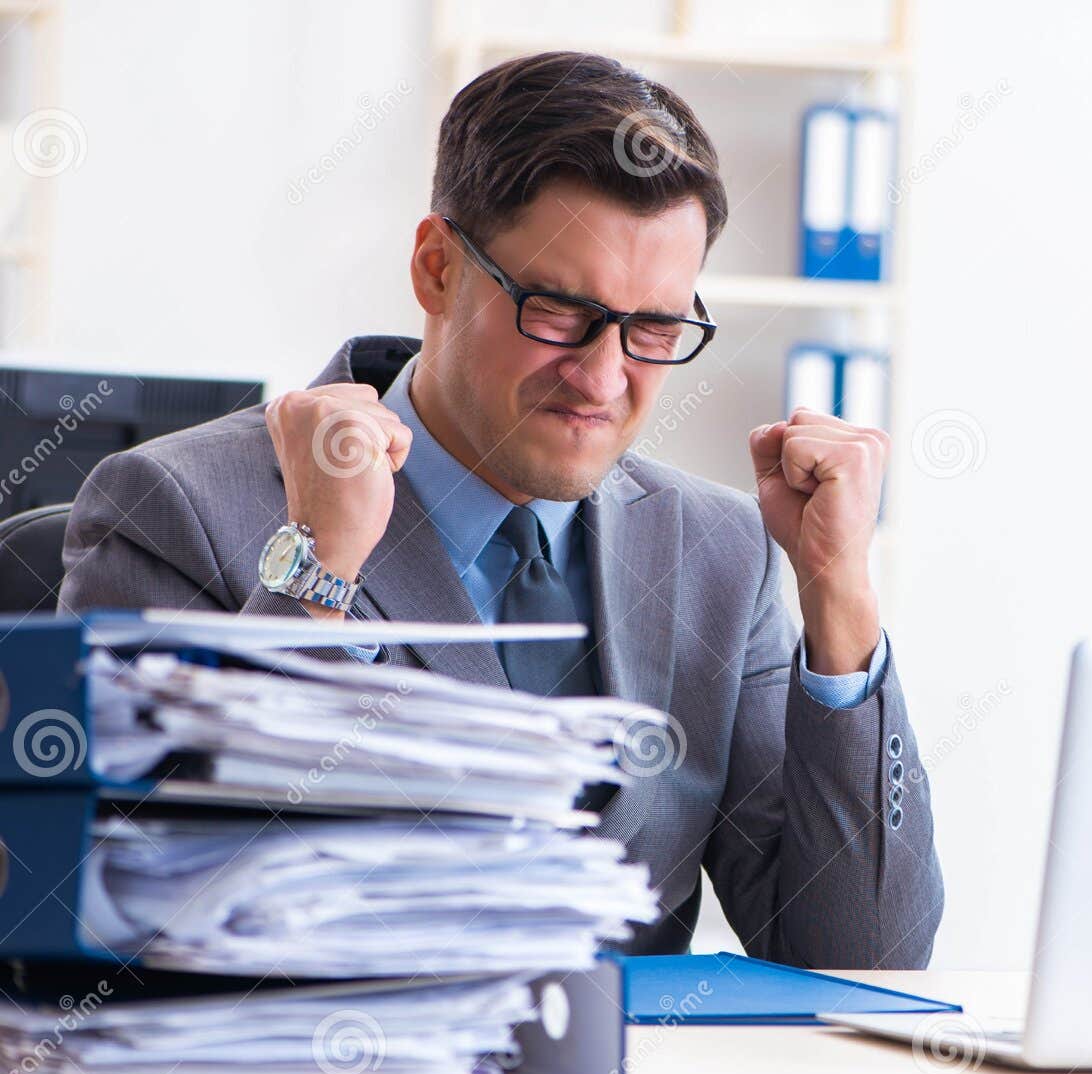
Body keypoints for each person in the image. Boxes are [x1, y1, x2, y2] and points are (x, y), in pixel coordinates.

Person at [60, 51, 941, 966]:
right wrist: (318, 570)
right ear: (437, 269)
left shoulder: (720, 552)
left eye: (654, 329)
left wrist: (840, 600)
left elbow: (862, 958)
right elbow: (130, 923)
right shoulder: (177, 505)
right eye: (558, 311)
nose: (603, 378)